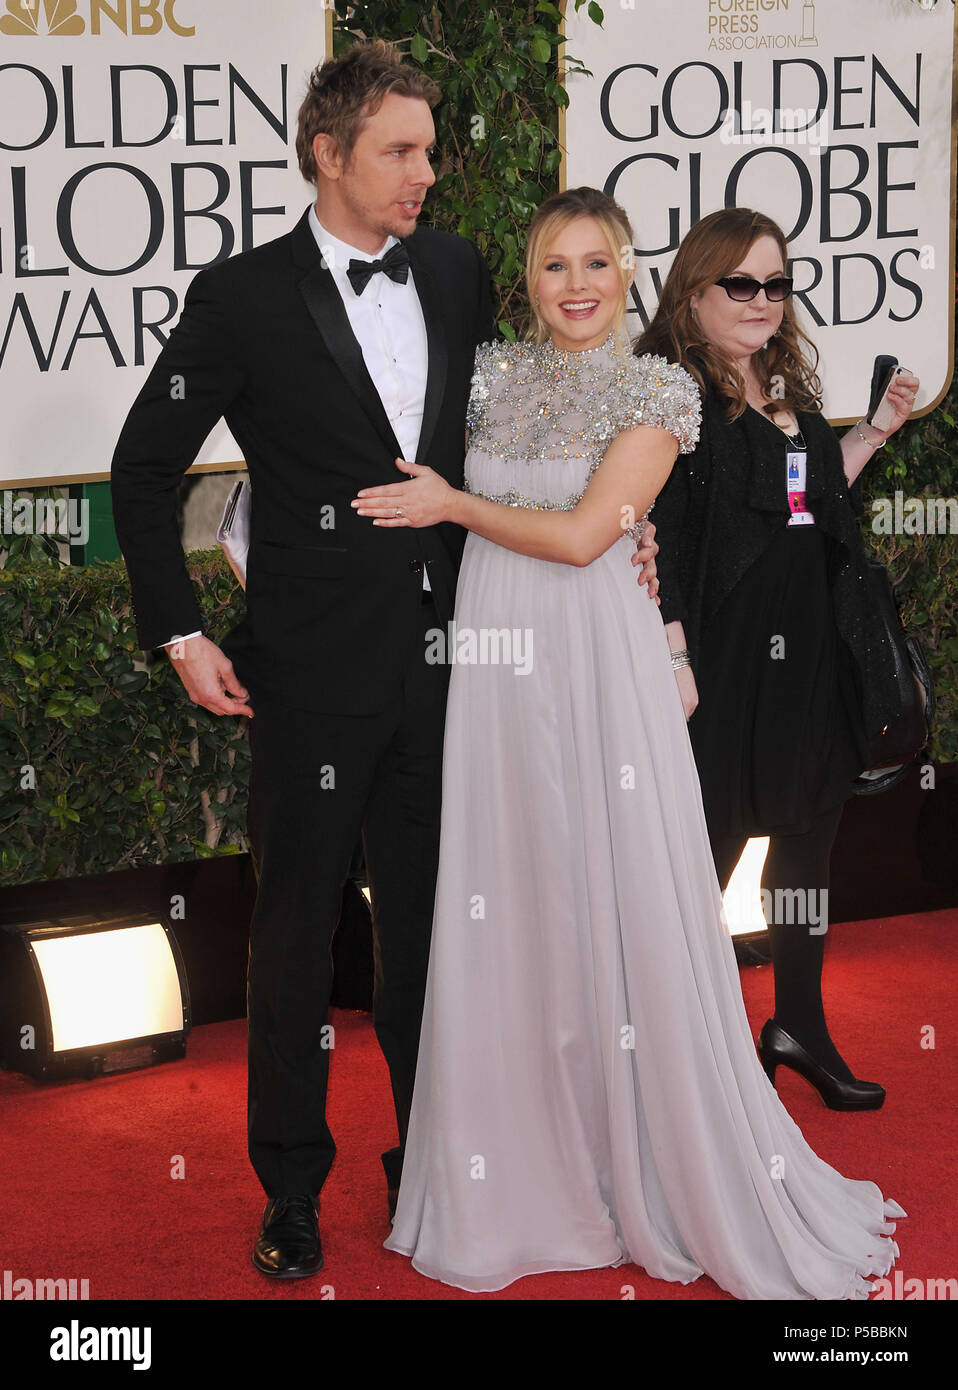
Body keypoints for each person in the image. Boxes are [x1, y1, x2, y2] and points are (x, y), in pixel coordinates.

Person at [110, 42, 658, 1281]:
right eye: (401, 152)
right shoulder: (242, 295)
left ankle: (438, 1161)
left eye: (428, 149)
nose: (426, 173)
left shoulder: (457, 271)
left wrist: (629, 530)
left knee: (440, 928)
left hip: (457, 669)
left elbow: (535, 437)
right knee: (298, 938)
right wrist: (181, 631)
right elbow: (143, 471)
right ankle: (290, 1188)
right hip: (304, 676)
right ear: (330, 154)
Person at [355, 186, 905, 1299]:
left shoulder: (658, 392)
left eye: (594, 264)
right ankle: (524, 1161)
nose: (574, 287)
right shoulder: (495, 374)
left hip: (590, 654)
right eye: (554, 266)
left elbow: (574, 538)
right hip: (495, 669)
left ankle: (647, 1151)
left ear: (626, 271)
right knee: (513, 890)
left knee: (614, 884)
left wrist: (453, 507)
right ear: (529, 276)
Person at [637, 209, 920, 1110]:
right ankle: (675, 1058)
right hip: (722, 667)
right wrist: (674, 654)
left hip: (810, 655)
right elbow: (662, 542)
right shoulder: (673, 397)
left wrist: (873, 430)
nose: (763, 301)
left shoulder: (781, 384)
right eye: (742, 284)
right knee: (701, 862)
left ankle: (798, 1023)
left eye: (777, 284)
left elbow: (806, 503)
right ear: (695, 291)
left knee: (807, 852)